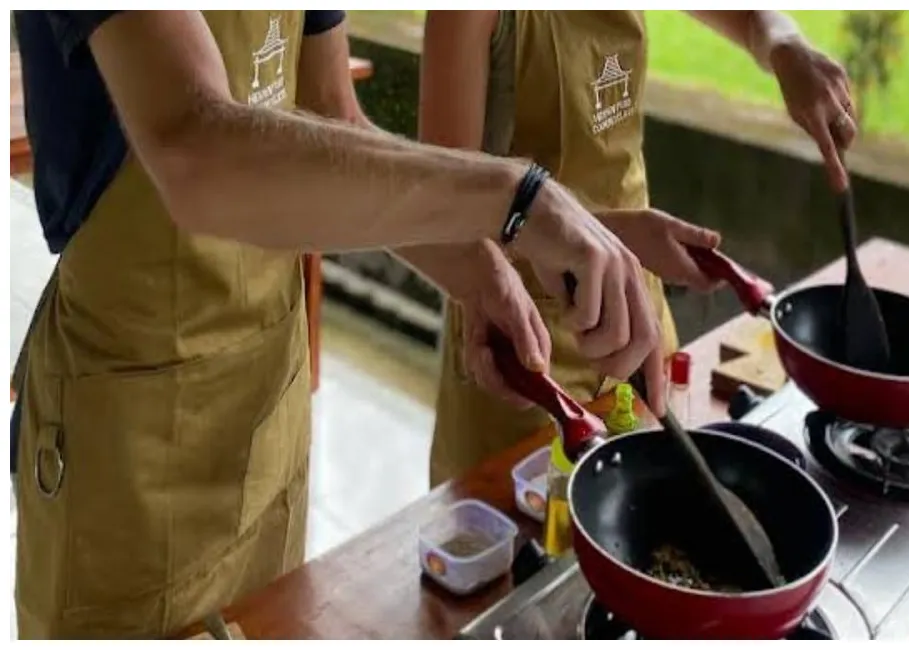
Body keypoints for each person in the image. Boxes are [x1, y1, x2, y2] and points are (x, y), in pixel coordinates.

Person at [10, 10, 667, 639]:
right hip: (131, 439)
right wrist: (514, 198)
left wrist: (477, 269)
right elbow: (195, 148)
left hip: (268, 400)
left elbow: (333, 115)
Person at [419, 10, 858, 485]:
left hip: (639, 329)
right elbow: (442, 214)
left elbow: (752, 19)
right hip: (524, 361)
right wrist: (610, 237)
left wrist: (785, 44)